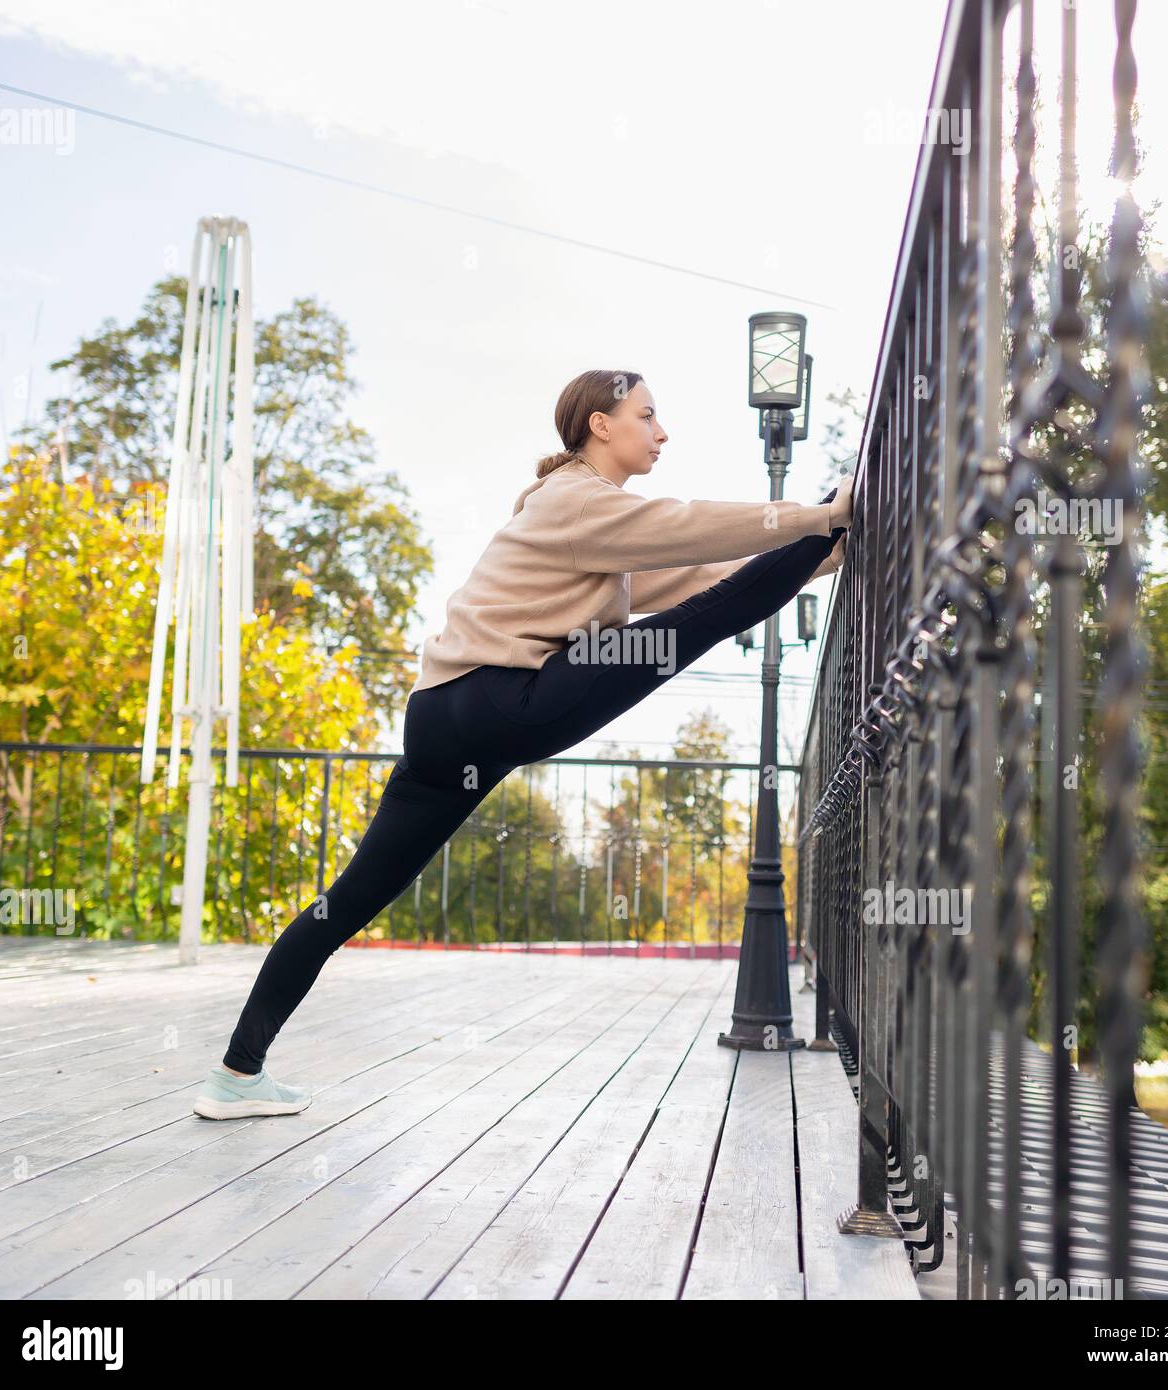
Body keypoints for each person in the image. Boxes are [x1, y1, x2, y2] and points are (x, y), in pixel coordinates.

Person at [193, 368, 852, 1119]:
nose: (661, 432)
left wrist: (826, 547)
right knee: (694, 629)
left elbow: (711, 571)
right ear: (600, 425)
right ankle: (839, 510)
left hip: (443, 723)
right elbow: (694, 529)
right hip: (501, 701)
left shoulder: (597, 525)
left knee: (343, 905)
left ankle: (236, 1074)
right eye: (647, 415)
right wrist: (818, 516)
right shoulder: (577, 500)